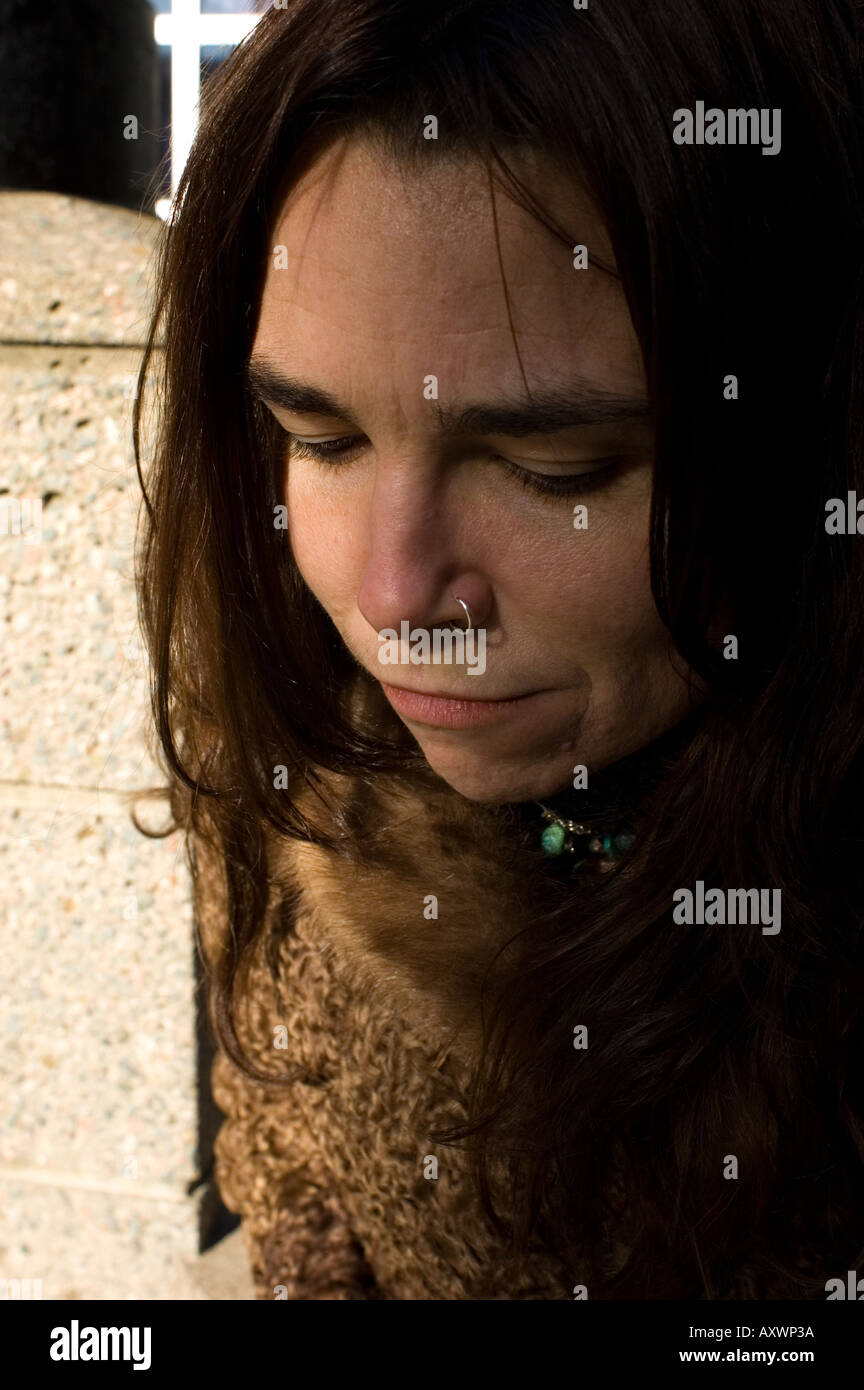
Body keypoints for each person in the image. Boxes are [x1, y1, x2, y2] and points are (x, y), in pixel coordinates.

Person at [134, 0, 864, 1299]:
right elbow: (294, 1197)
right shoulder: (306, 743)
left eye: (552, 466)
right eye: (322, 439)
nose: (390, 593)